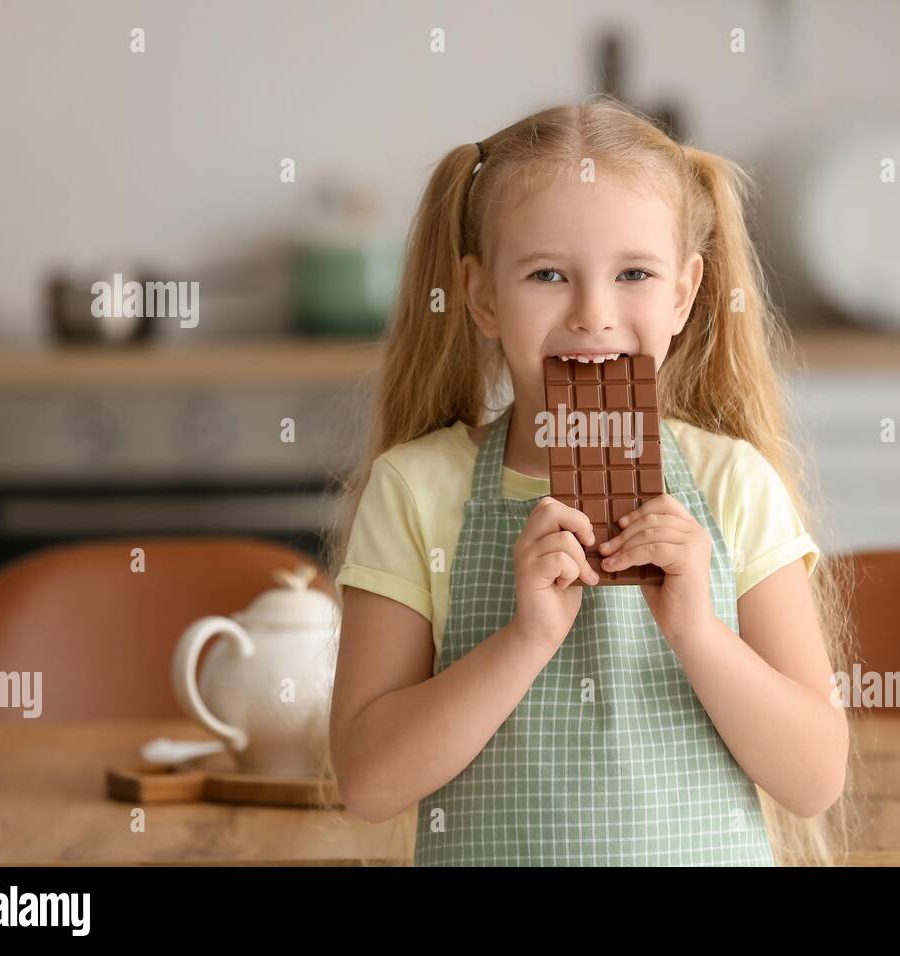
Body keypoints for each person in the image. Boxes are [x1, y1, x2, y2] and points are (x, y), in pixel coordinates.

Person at [325, 94, 854, 866]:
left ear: (682, 293)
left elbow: (814, 778)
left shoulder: (732, 483)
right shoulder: (417, 490)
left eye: (635, 273)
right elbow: (369, 783)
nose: (593, 314)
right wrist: (524, 639)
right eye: (546, 274)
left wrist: (698, 630)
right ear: (481, 297)